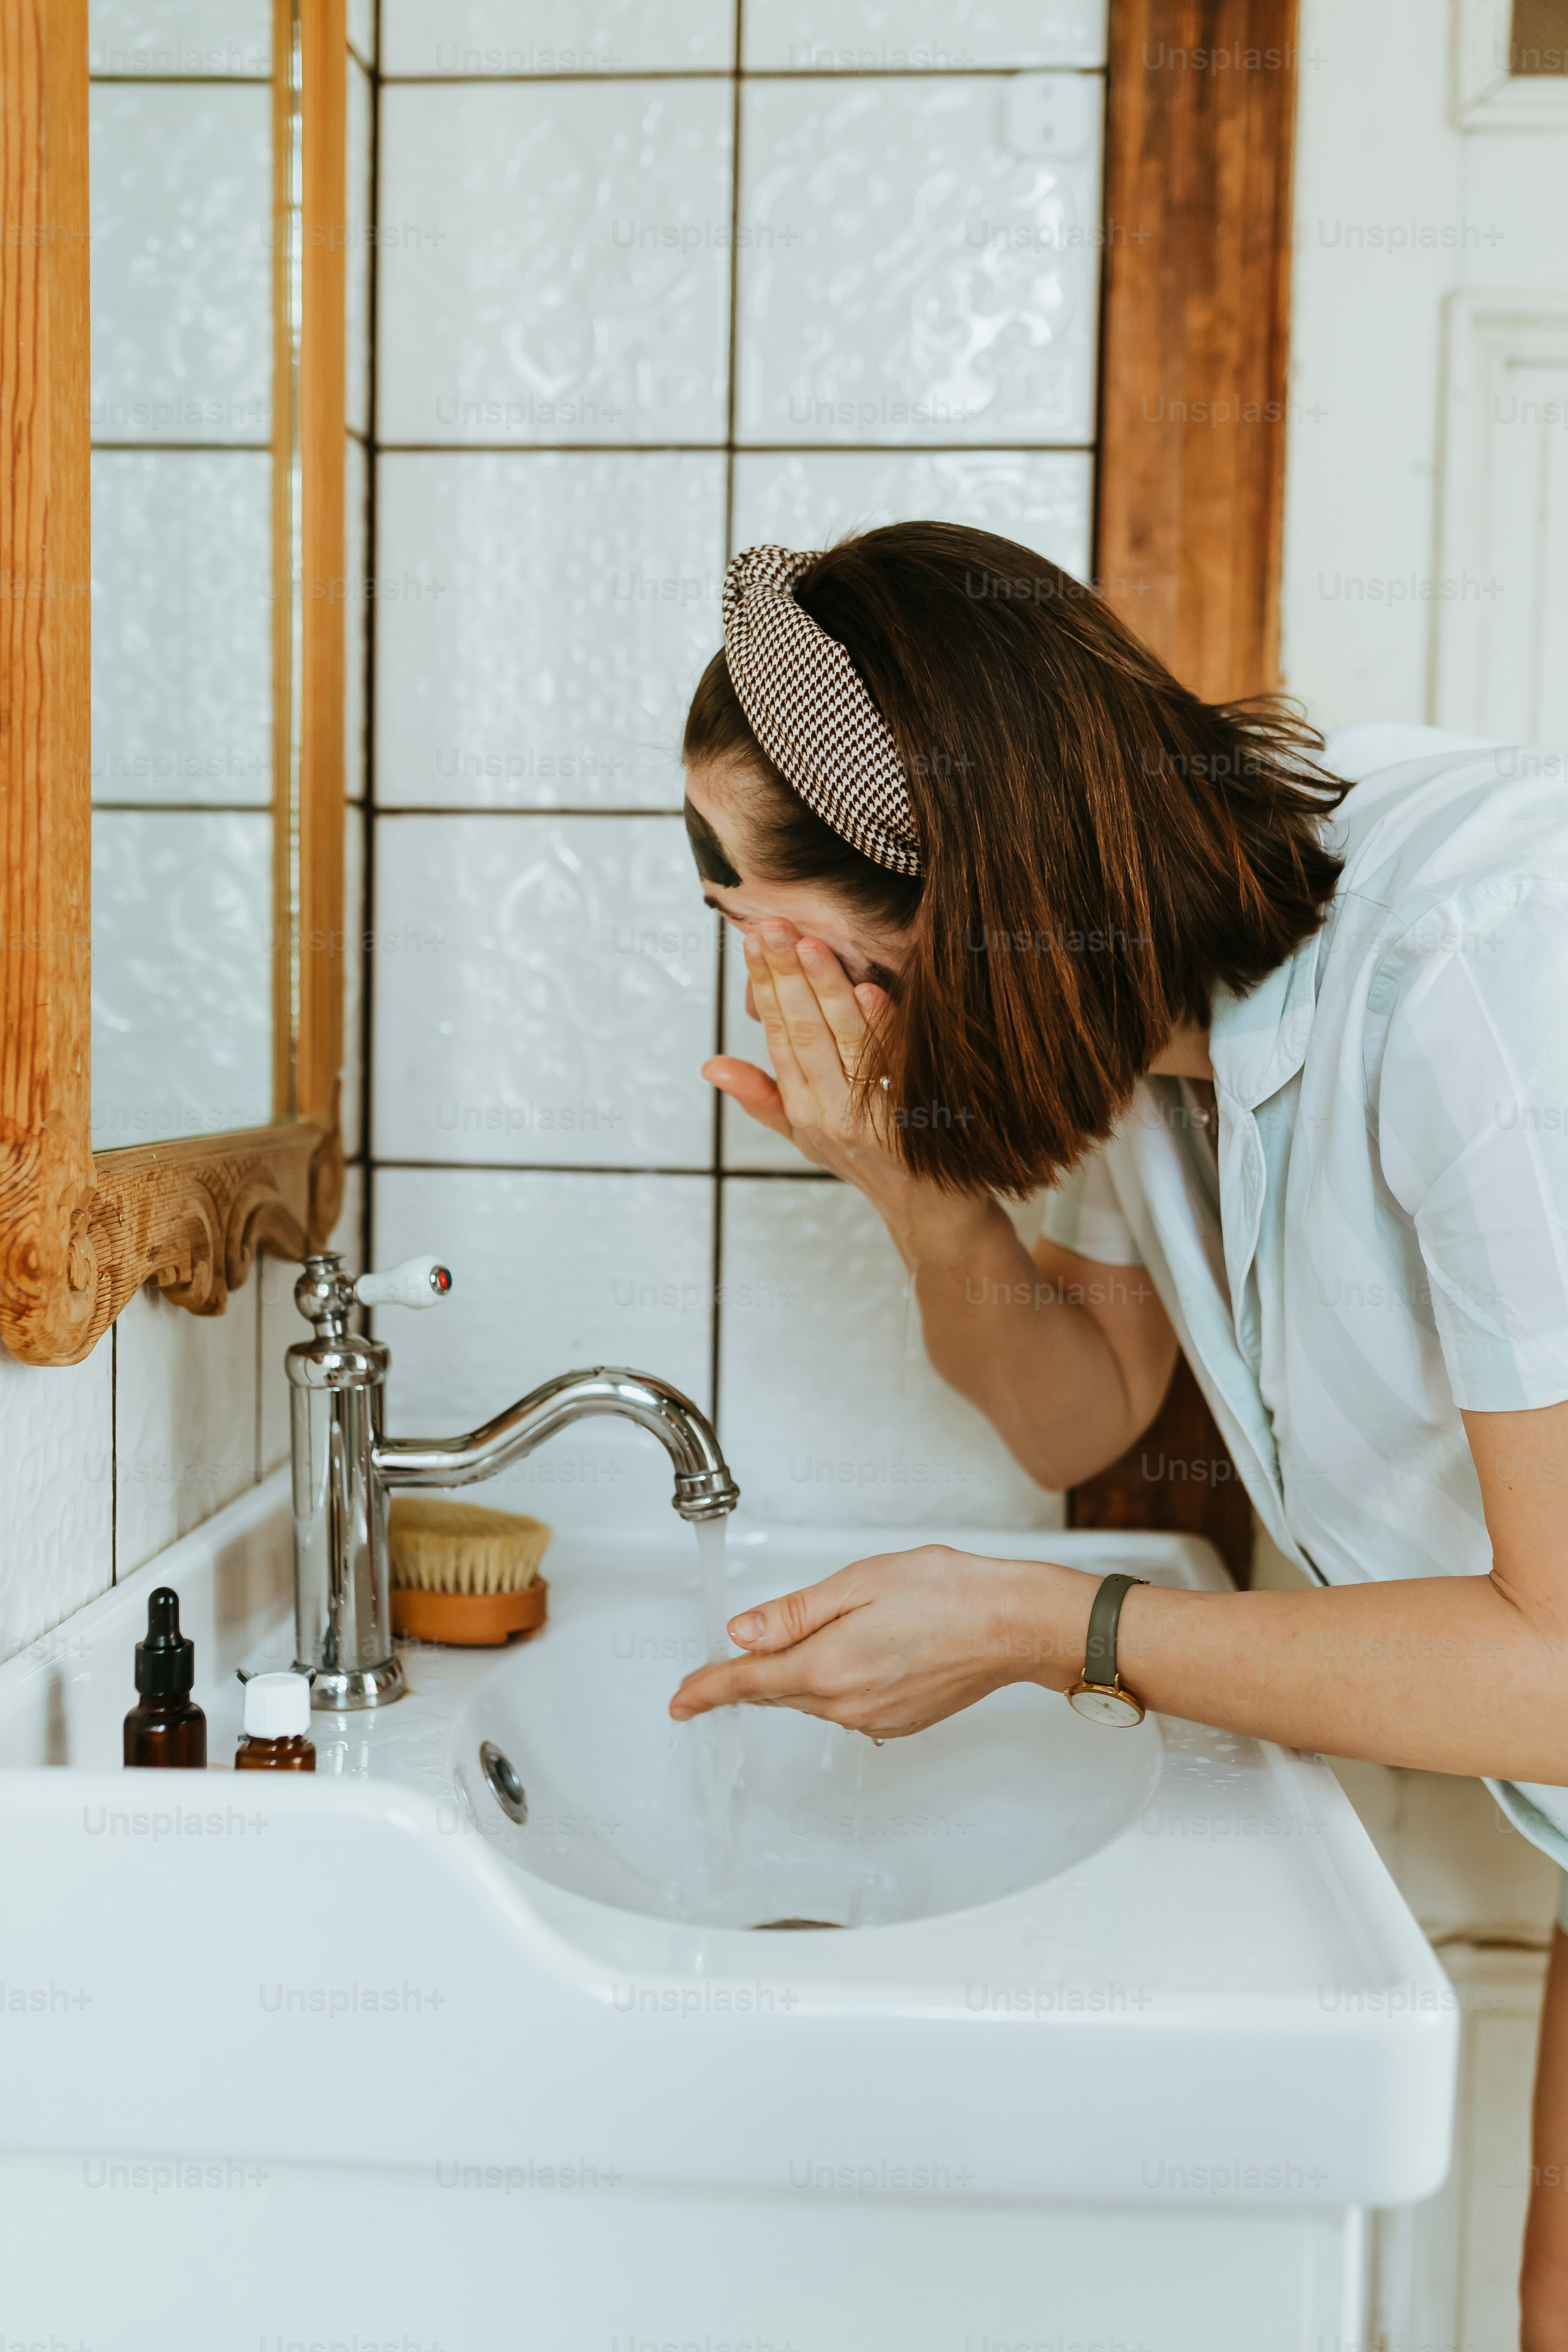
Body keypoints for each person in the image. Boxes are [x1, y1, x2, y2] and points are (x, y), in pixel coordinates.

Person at [668, 524, 1568, 2346]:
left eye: (769, 938)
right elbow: (1085, 1401)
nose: (774, 995)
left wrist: (1040, 1630)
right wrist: (907, 1188)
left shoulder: (1485, 966)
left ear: (968, 908)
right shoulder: (1153, 991)